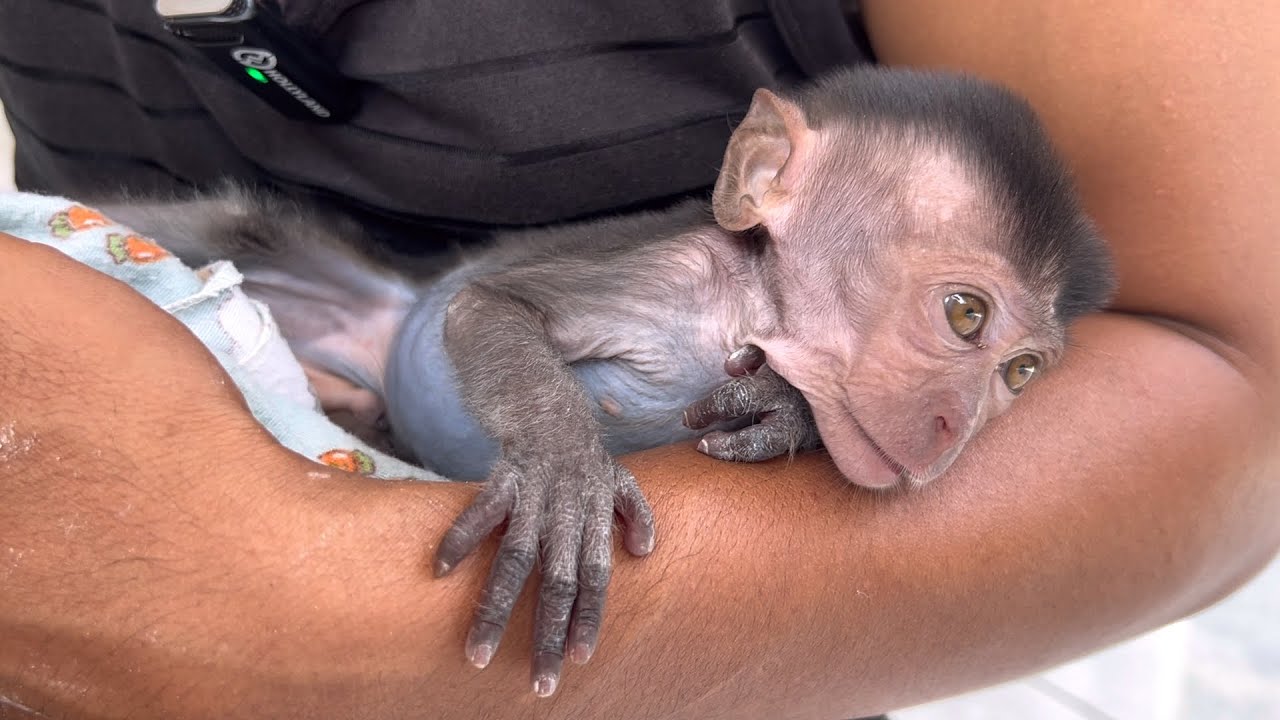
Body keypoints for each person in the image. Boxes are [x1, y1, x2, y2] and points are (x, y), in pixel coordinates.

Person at [2, 1, 1278, 717]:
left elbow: (1218, 367)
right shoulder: (713, 289)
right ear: (766, 177)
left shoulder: (778, 316)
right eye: (959, 324)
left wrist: (307, 617)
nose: (962, 427)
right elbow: (489, 317)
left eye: (1010, 366)